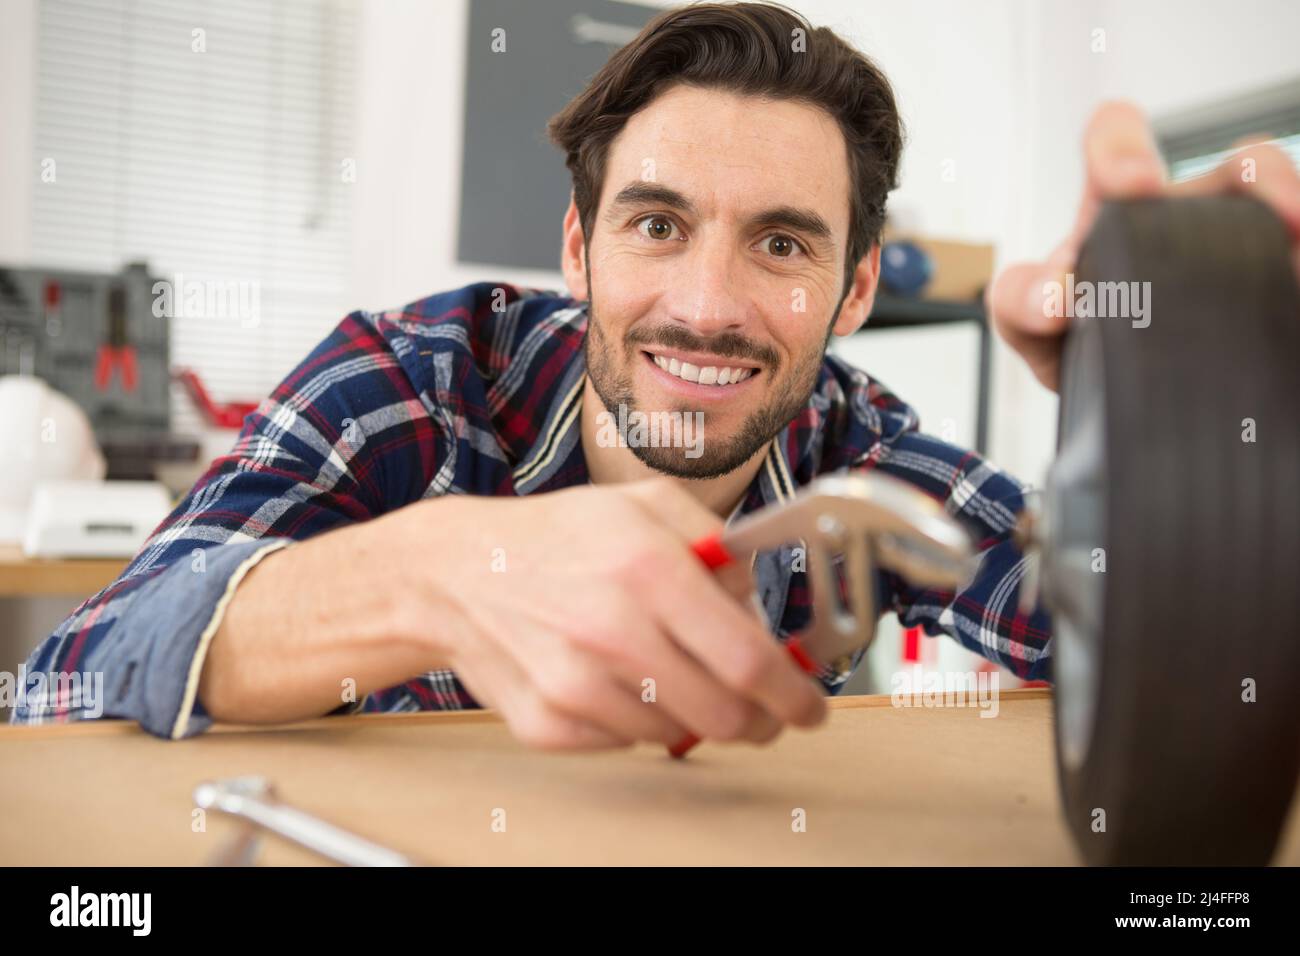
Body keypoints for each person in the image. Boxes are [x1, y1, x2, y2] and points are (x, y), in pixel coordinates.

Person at [14, 2, 1300, 751]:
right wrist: (431, 572)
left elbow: (1173, 669)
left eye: (784, 242)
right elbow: (60, 675)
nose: (705, 304)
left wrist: (1198, 433)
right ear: (577, 247)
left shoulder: (858, 450)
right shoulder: (403, 383)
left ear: (856, 291)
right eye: (655, 223)